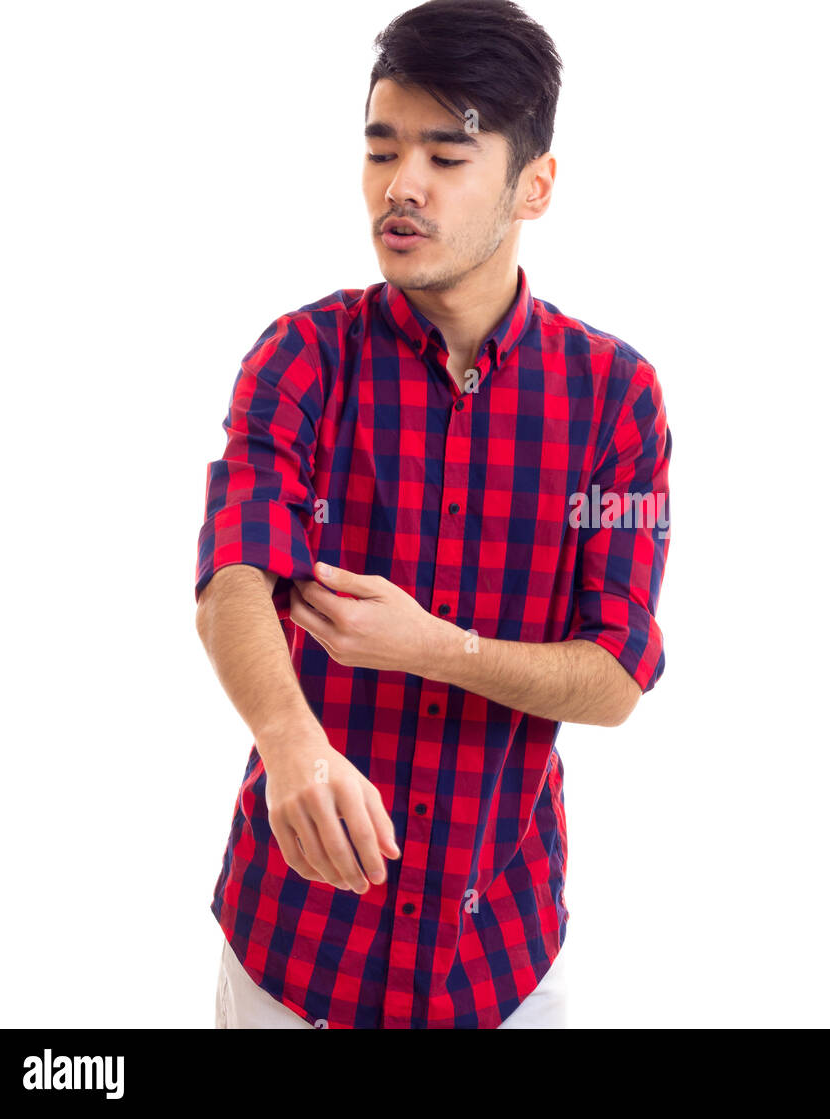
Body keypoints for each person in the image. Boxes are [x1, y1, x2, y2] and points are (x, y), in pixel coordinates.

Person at [194, 0, 672, 1029]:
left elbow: (615, 673)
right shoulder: (299, 358)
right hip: (294, 949)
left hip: (496, 957)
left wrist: (436, 648)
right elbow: (235, 573)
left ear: (532, 186)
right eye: (380, 150)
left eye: (447, 156)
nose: (399, 186)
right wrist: (289, 739)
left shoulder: (615, 396)